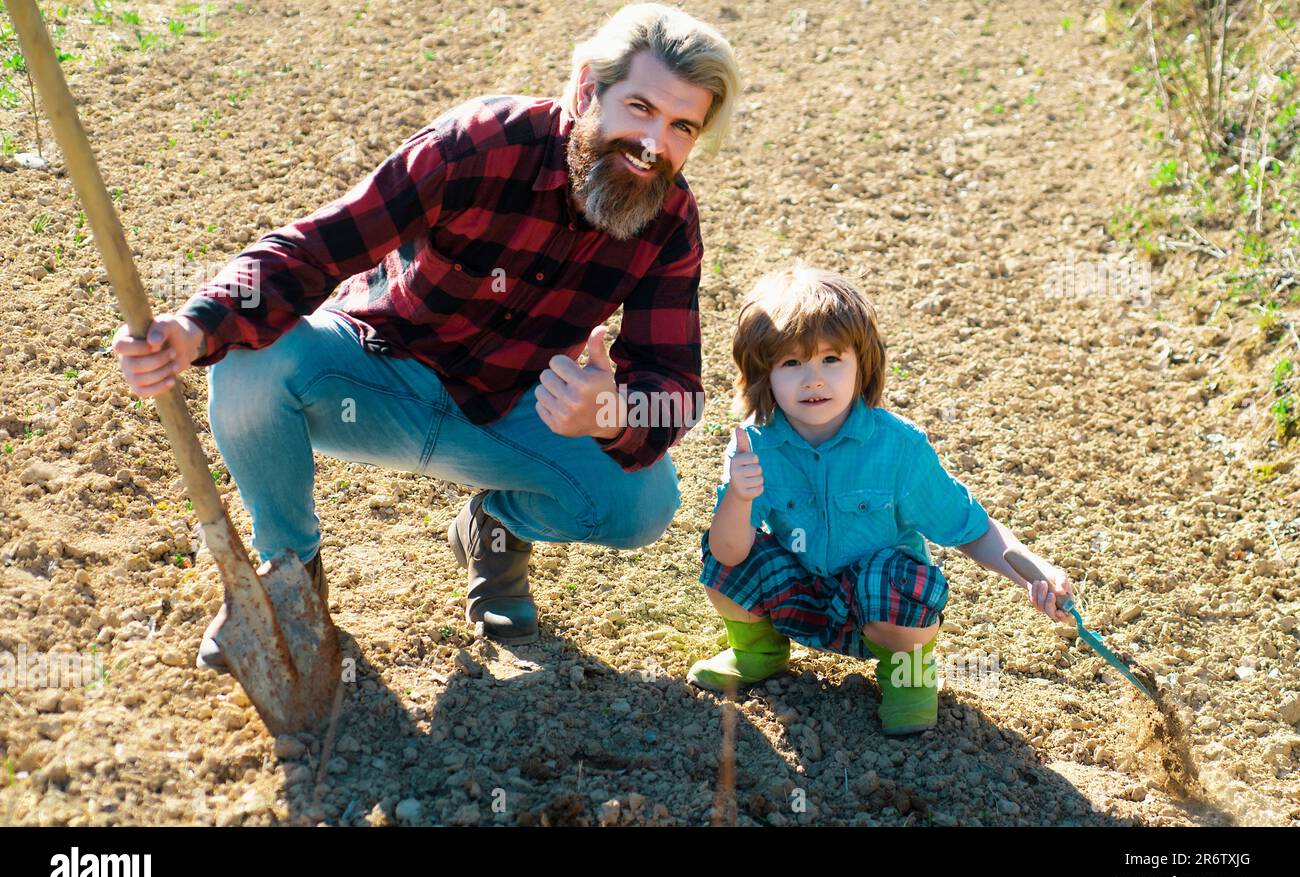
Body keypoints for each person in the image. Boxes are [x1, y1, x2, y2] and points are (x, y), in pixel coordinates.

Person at [110, 4, 740, 666]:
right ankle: (290, 579)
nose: (653, 142)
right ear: (587, 88)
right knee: (248, 364)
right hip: (373, 378)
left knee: (642, 501)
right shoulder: (480, 144)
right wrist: (195, 323)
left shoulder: (669, 220)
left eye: (681, 127)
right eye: (638, 107)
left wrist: (607, 411)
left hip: (506, 410)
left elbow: (672, 385)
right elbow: (318, 247)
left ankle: (495, 529)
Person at [690, 263, 1076, 735]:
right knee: (721, 546)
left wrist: (1035, 573)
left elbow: (970, 527)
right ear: (762, 374)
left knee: (889, 574)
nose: (813, 379)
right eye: (792, 363)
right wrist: (739, 495)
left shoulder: (898, 448)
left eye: (832, 359)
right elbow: (729, 555)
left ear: (862, 364)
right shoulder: (755, 446)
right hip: (801, 595)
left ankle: (908, 676)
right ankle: (759, 651)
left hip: (878, 607)